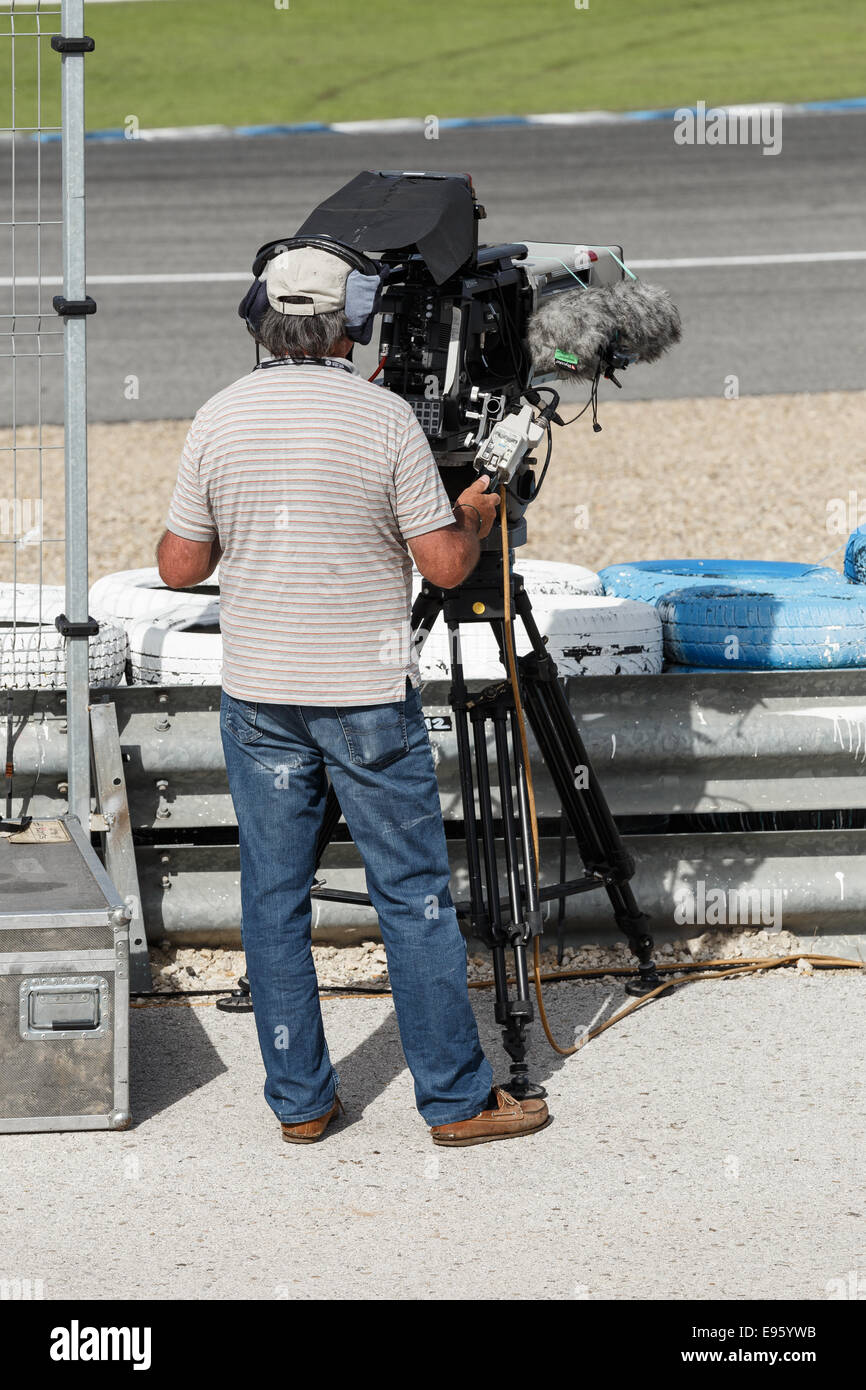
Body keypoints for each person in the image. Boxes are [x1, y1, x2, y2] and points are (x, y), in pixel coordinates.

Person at [157, 243, 549, 1147]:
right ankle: (455, 1101)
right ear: (351, 324)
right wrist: (480, 508)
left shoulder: (218, 417)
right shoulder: (382, 422)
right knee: (411, 895)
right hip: (365, 697)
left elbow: (179, 567)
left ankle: (301, 1103)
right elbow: (446, 565)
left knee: (273, 900)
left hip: (261, 699)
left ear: (261, 317)